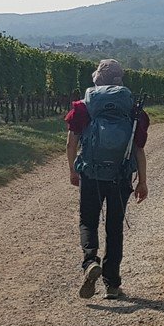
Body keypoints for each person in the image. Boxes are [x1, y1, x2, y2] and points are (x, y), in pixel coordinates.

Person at [65, 59, 150, 299]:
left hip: (91, 173)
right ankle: (112, 284)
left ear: (97, 80)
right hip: (121, 175)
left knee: (88, 221)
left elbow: (71, 142)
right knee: (114, 228)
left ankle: (90, 261)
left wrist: (73, 170)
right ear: (120, 81)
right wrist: (142, 181)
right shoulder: (133, 110)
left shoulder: (83, 107)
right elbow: (138, 149)